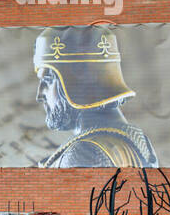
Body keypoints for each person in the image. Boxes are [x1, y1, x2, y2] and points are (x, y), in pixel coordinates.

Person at [32, 26, 157, 168]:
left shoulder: (82, 153)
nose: (39, 95)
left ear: (74, 82)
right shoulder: (141, 141)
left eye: (47, 80)